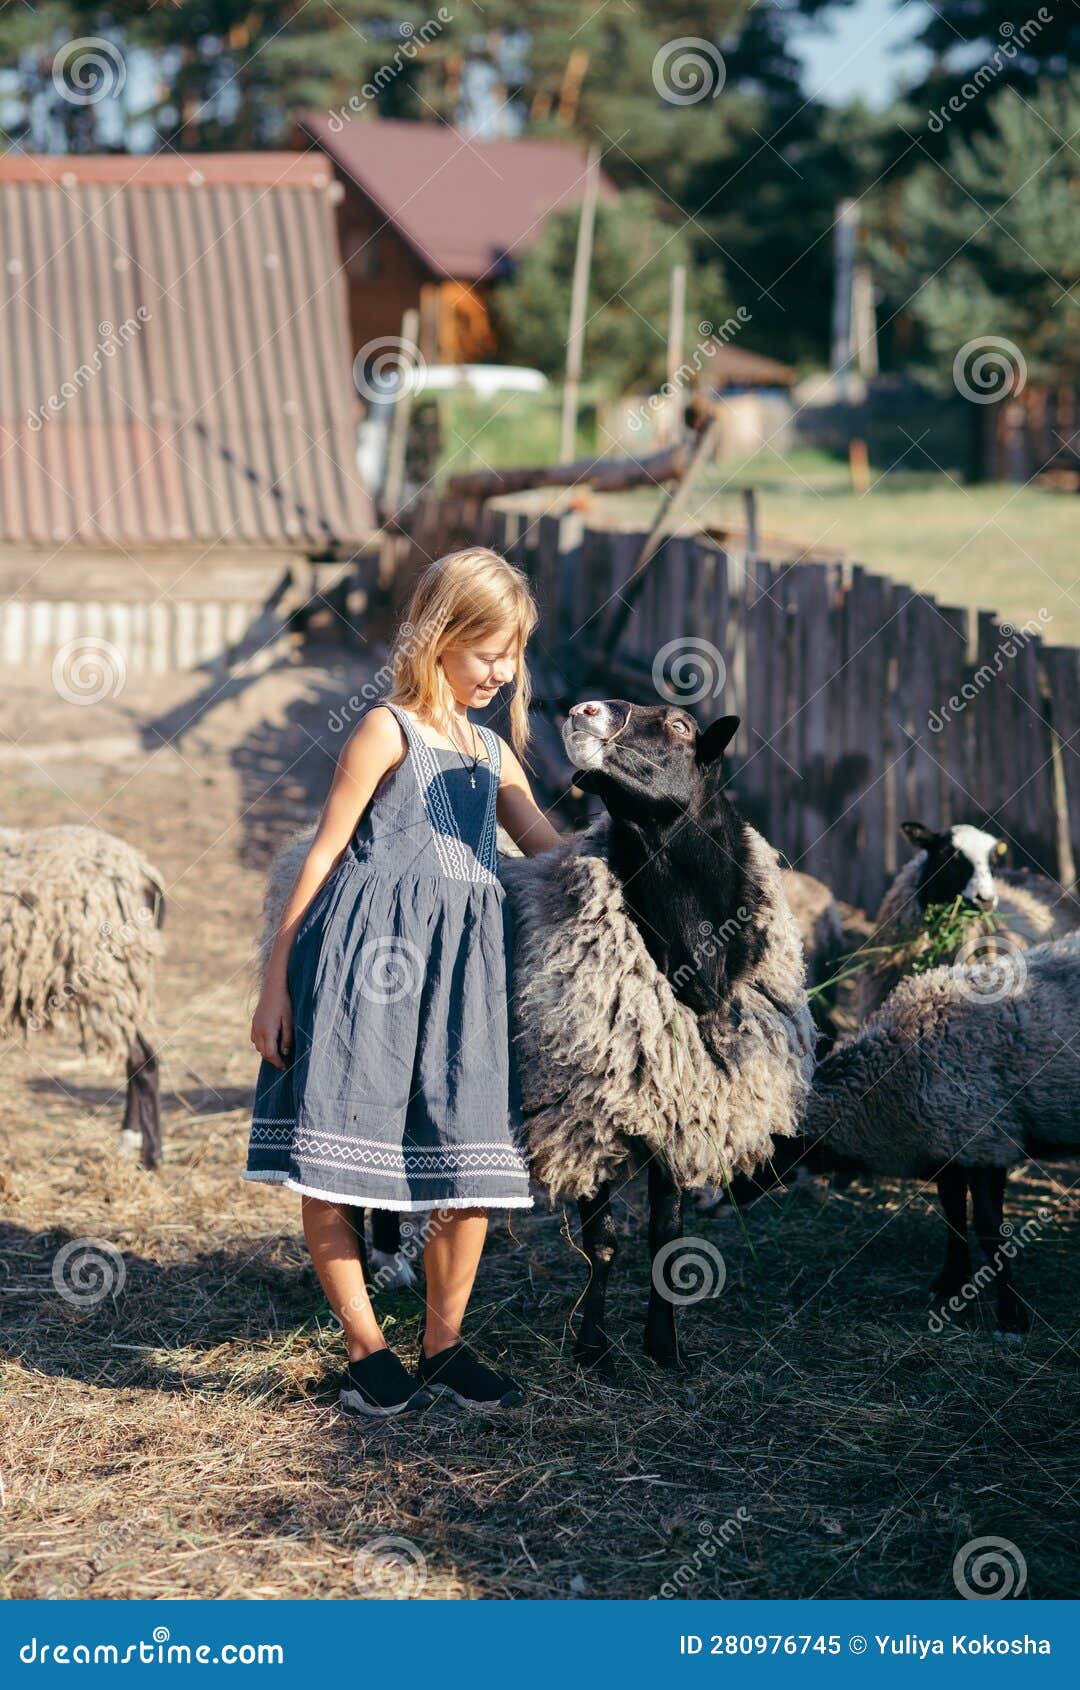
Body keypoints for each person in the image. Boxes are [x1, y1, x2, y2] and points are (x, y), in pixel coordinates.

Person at [246, 548, 562, 1416]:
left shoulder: (494, 753)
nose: (502, 670)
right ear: (438, 639)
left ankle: (444, 1346)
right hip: (361, 977)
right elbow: (322, 853)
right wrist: (276, 982)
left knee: (472, 1169)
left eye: (515, 653)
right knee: (337, 1163)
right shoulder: (388, 729)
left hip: (463, 987)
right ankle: (366, 1350)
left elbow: (558, 859)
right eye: (486, 651)